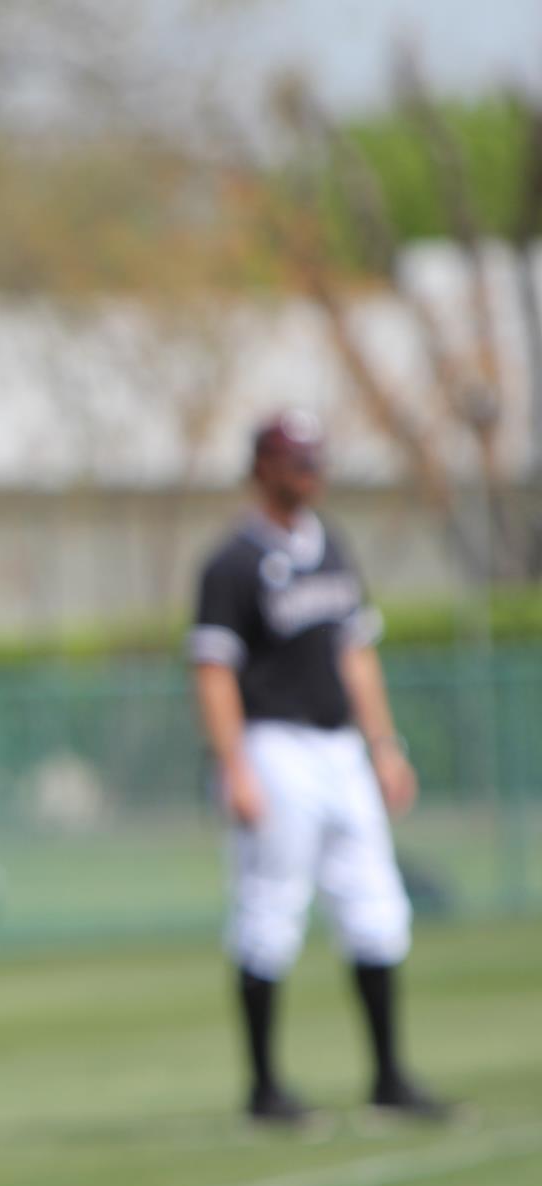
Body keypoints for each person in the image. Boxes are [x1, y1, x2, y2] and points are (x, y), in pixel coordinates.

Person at [189, 409, 451, 1126]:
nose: (311, 474)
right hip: (272, 745)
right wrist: (234, 765)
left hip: (340, 748)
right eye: (296, 461)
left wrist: (385, 745)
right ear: (263, 467)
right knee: (270, 909)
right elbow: (213, 671)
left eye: (316, 461)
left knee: (375, 905)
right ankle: (264, 1088)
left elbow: (355, 653)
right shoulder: (233, 561)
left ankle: (389, 1076)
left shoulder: (331, 543)